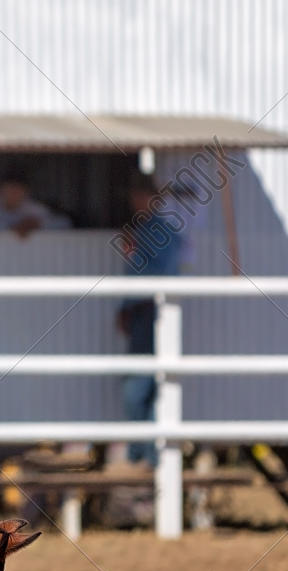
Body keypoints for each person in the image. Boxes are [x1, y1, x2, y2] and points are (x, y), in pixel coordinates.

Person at [116, 173, 182, 465]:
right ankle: (147, 454)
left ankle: (145, 455)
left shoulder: (160, 232)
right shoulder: (147, 231)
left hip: (151, 311)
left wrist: (129, 304)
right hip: (143, 312)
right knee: (148, 384)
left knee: (140, 385)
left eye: (141, 196)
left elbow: (156, 275)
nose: (136, 203)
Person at [0, 168, 70, 238]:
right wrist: (10, 227)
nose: (13, 195)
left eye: (17, 191)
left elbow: (64, 223)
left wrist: (37, 224)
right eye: (9, 190)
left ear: (26, 192)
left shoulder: (32, 208)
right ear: (0, 189)